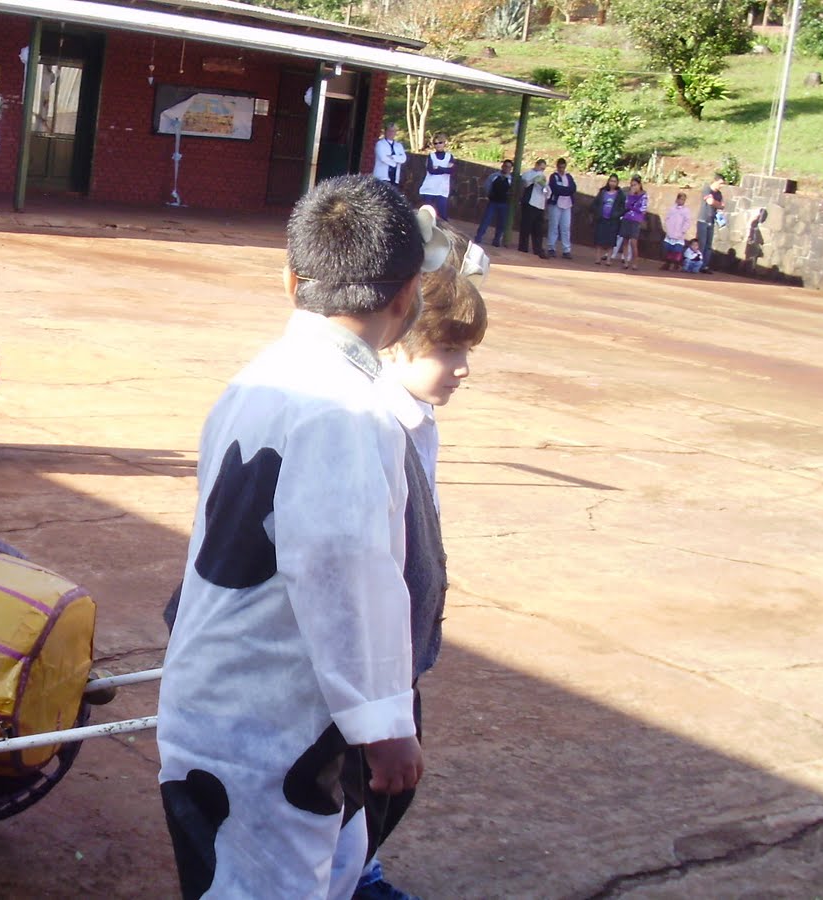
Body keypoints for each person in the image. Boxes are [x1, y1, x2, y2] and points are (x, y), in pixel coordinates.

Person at [158, 175, 425, 900]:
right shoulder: (350, 411)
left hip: (221, 700)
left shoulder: (257, 380)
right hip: (268, 725)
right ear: (405, 297)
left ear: (290, 281)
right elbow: (343, 569)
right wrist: (382, 720)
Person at [357, 219, 487, 900]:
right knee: (375, 773)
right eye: (450, 351)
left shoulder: (417, 420)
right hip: (372, 641)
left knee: (384, 781)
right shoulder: (375, 424)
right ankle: (350, 873)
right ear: (397, 344)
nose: (463, 368)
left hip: (402, 638)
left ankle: (356, 866)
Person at [473, 159, 513, 248]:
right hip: (493, 202)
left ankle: (497, 240)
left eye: (509, 167)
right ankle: (478, 237)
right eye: (505, 166)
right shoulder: (494, 176)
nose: (507, 168)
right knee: (486, 220)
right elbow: (487, 186)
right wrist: (490, 195)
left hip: (504, 203)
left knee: (501, 223)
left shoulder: (511, 179)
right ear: (502, 166)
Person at [544, 157, 576, 259]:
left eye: (563, 167)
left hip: (567, 204)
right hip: (556, 203)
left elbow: (573, 188)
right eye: (560, 167)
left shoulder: (569, 177)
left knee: (566, 227)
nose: (562, 169)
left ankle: (566, 249)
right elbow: (556, 189)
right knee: (554, 226)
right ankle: (551, 247)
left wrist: (565, 190)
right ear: (557, 167)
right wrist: (566, 190)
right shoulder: (554, 176)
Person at [614, 175, 648, 269]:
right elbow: (626, 205)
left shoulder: (644, 196)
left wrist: (632, 207)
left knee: (633, 242)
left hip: (636, 220)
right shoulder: (629, 194)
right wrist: (631, 197)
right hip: (627, 218)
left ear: (639, 185)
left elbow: (642, 209)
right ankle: (625, 261)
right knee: (625, 240)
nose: (633, 187)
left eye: (635, 185)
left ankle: (635, 262)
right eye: (632, 185)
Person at [418, 134, 454, 221]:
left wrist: (438, 167)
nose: (438, 145)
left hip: (442, 189)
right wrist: (444, 169)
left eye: (440, 142)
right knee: (426, 214)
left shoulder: (449, 156)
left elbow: (451, 171)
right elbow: (431, 170)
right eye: (435, 143)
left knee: (443, 215)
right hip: (429, 188)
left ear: (444, 143)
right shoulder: (431, 156)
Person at [591, 174, 624, 266]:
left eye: (614, 181)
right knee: (599, 239)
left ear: (617, 183)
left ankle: (609, 259)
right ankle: (598, 258)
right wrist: (598, 213)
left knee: (611, 240)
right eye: (611, 181)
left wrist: (616, 214)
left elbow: (623, 207)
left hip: (613, 220)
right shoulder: (602, 191)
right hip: (601, 219)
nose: (612, 183)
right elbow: (595, 203)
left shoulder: (620, 194)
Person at [518, 158, 548, 257]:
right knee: (526, 226)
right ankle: (523, 247)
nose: (541, 171)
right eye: (540, 168)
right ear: (536, 165)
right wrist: (534, 180)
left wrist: (544, 186)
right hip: (529, 204)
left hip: (540, 205)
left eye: (543, 169)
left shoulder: (543, 176)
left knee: (538, 229)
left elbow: (547, 193)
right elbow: (525, 183)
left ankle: (538, 249)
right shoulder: (528, 173)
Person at [697, 175, 725, 274]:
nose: (721, 186)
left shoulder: (719, 194)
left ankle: (704, 266)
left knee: (708, 245)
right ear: (715, 181)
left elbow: (722, 206)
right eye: (720, 183)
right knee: (702, 244)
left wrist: (716, 203)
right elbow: (710, 202)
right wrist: (717, 204)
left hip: (711, 221)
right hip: (703, 220)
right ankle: (697, 264)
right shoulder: (707, 189)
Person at [661, 192, 692, 271]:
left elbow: (687, 221)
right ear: (677, 199)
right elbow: (667, 218)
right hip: (670, 232)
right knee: (668, 248)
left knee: (677, 249)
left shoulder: (686, 211)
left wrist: (683, 230)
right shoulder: (672, 208)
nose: (682, 201)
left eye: (683, 200)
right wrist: (667, 228)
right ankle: (667, 263)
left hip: (679, 233)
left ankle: (676, 263)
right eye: (681, 199)